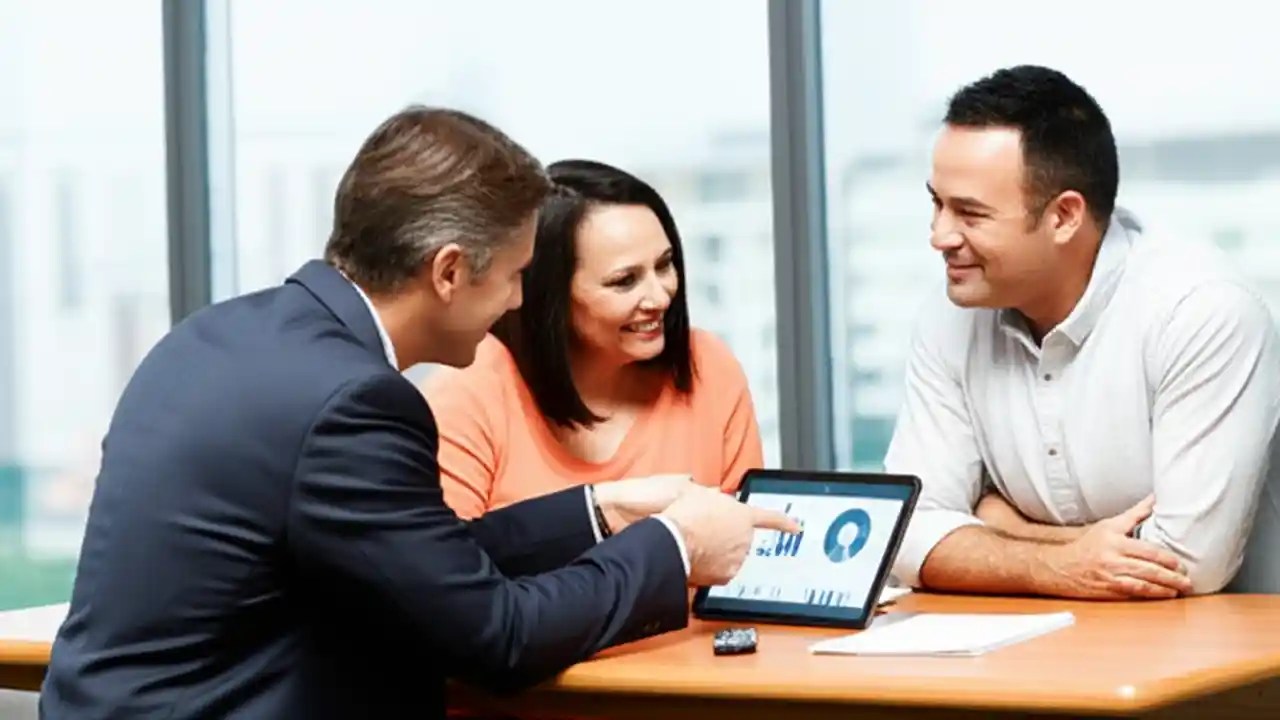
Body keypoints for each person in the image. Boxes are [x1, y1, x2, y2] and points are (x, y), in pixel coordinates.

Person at [40, 107, 796, 719]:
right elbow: (496, 636)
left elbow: (419, 563)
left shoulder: (216, 336)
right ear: (449, 272)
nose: (520, 302)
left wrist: (600, 511)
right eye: (515, 276)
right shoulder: (355, 404)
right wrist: (671, 545)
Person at [885, 65, 1280, 601]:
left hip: (1223, 662)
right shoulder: (949, 314)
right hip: (1045, 655)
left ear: (1065, 216)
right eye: (936, 203)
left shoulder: (1201, 310)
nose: (939, 236)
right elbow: (904, 531)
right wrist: (1059, 563)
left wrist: (1007, 530)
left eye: (970, 214)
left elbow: (1188, 563)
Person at [421, 159, 763, 519]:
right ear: (551, 294)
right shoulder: (468, 393)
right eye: (624, 280)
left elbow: (747, 547)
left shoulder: (708, 365)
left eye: (664, 265)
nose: (661, 297)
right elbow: (451, 568)